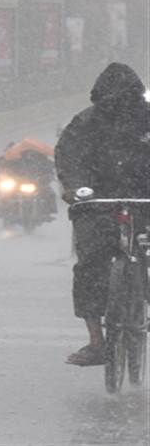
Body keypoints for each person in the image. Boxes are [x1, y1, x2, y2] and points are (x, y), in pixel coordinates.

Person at [55, 62, 150, 366]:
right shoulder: (85, 123)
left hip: (144, 199)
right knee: (89, 267)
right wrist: (74, 187)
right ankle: (97, 341)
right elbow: (69, 157)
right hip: (96, 203)